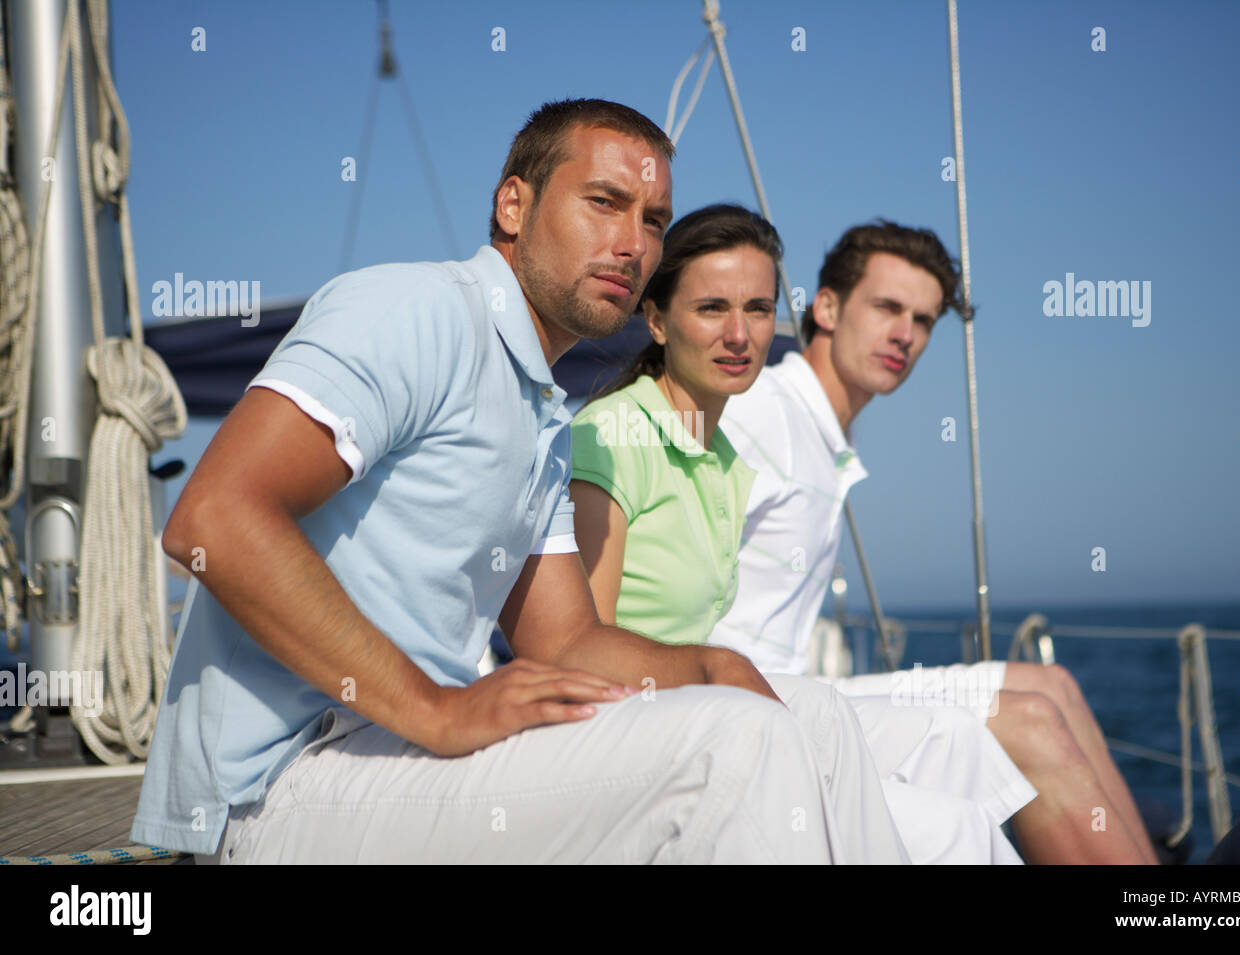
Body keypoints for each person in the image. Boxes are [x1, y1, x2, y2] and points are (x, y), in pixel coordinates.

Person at [129, 100, 906, 864]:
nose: (632, 244)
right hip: (283, 782)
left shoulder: (542, 411)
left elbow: (566, 640)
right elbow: (215, 519)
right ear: (514, 204)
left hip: (404, 758)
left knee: (814, 711)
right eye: (604, 203)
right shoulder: (416, 311)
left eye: (653, 220)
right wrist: (434, 706)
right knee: (738, 743)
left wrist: (708, 668)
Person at [570, 203, 1030, 864]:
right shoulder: (614, 434)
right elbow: (578, 646)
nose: (740, 334)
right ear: (656, 319)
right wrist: (717, 674)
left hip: (707, 711)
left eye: (758, 309)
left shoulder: (721, 458)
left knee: (954, 743)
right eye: (711, 309)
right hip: (644, 740)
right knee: (955, 832)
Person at [714, 219, 1160, 864]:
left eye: (923, 321)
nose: (906, 335)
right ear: (829, 307)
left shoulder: (826, 432)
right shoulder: (761, 415)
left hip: (799, 685)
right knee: (1029, 723)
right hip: (754, 699)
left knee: (1053, 685)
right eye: (889, 308)